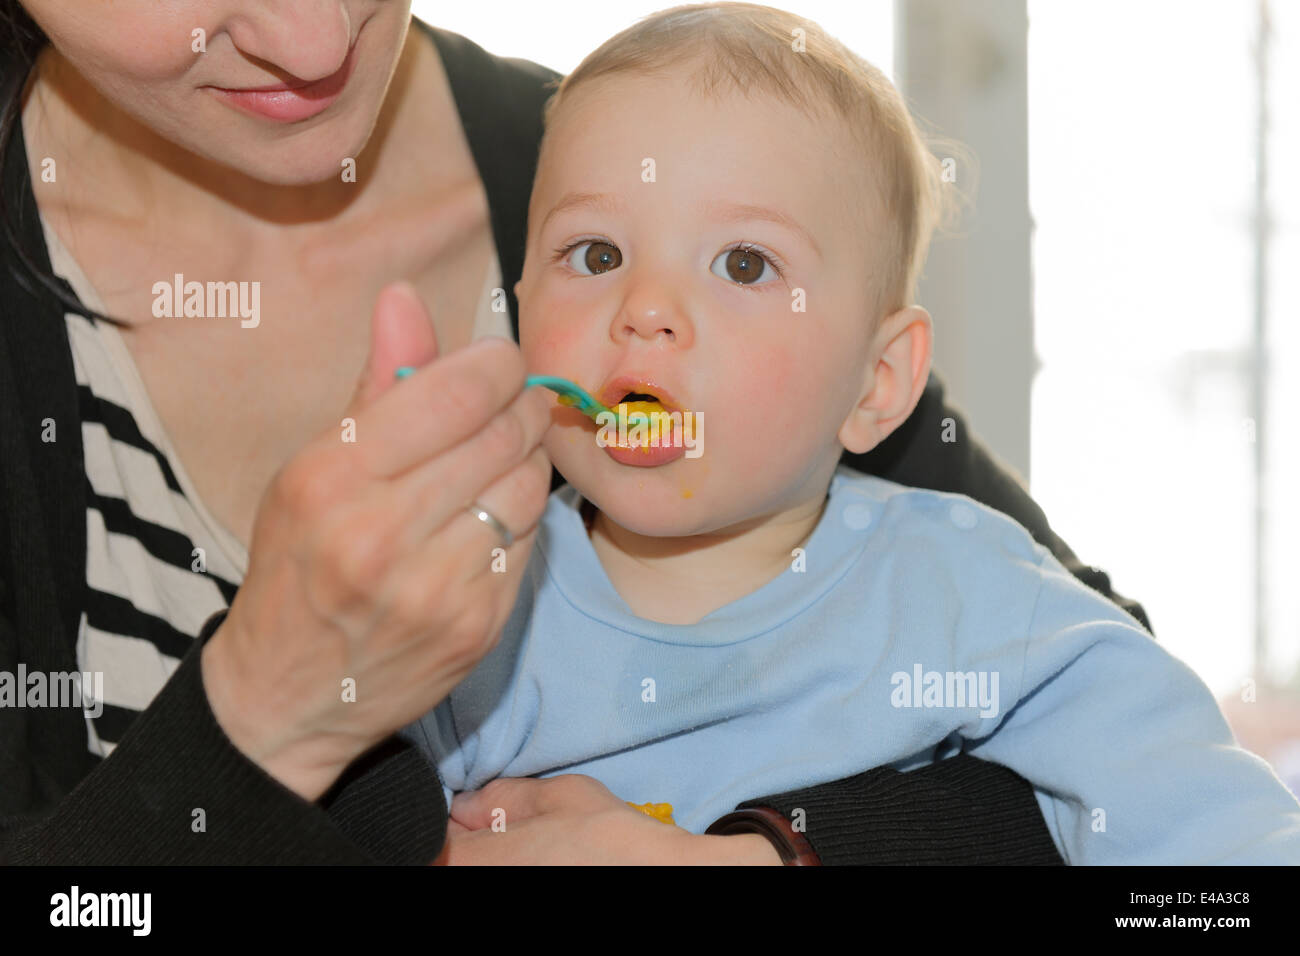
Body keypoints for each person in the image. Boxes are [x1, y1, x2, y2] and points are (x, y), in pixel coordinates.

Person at [0, 0, 1136, 865]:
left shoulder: (643, 164)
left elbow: (1136, 760)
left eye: (742, 268)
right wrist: (262, 714)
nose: (311, 39)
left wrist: (758, 852)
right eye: (590, 259)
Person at [406, 2, 1300, 864]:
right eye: (596, 255)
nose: (644, 310)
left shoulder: (972, 601)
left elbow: (1213, 835)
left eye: (744, 264)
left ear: (877, 383)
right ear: (518, 312)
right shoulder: (468, 594)